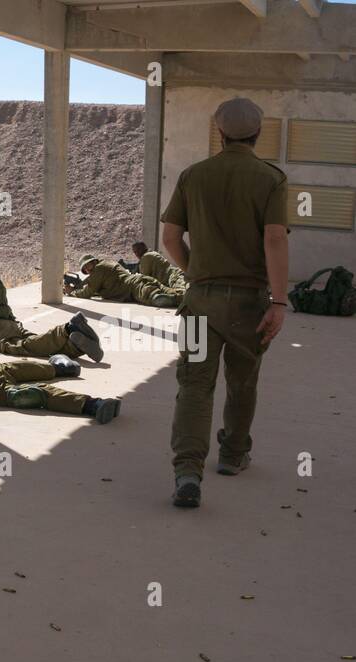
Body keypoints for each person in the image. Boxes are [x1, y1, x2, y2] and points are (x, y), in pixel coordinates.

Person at [160, 97, 289, 508]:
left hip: (199, 305)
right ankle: (233, 456)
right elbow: (274, 238)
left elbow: (169, 239)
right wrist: (279, 301)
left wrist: (195, 272)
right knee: (242, 382)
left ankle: (187, 473)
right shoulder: (270, 179)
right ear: (258, 133)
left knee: (194, 386)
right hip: (250, 306)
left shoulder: (193, 176)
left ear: (219, 132)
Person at [69, 255, 184, 307]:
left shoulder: (98, 269)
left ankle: (167, 298)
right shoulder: (106, 264)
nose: (88, 271)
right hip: (140, 280)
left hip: (134, 286)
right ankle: (184, 297)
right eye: (85, 270)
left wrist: (72, 292)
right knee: (173, 292)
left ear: (93, 262)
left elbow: (88, 292)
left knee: (153, 297)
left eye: (87, 266)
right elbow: (97, 288)